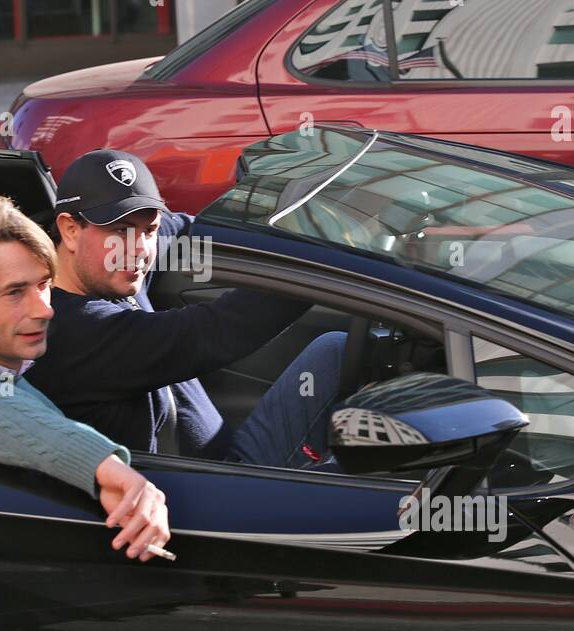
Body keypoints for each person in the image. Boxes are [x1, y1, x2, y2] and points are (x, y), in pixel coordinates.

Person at [0, 194, 170, 562]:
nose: (45, 309)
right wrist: (104, 465)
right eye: (15, 292)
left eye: (43, 285)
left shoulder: (7, 368)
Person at [26, 149, 345, 469]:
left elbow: (181, 228)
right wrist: (314, 258)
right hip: (213, 494)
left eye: (147, 230)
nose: (139, 249)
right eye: (120, 230)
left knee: (334, 350)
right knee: (368, 485)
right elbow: (219, 329)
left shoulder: (110, 269)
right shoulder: (67, 328)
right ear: (69, 229)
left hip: (228, 456)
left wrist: (260, 227)